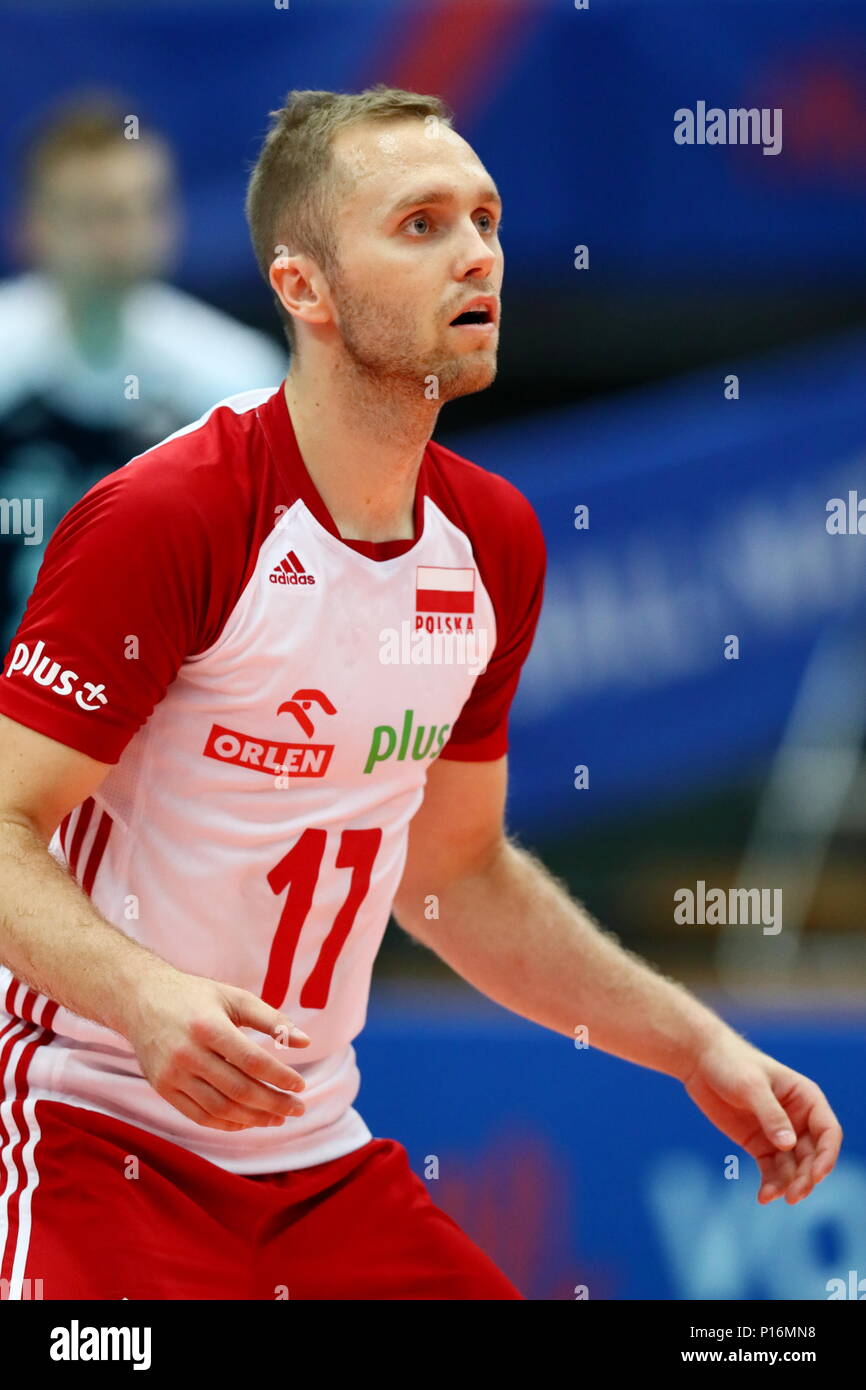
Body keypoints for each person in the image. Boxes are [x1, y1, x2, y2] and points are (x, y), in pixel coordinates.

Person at [0, 86, 842, 1301]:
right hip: (89, 1135)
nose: (475, 253)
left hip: (313, 1165)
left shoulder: (490, 540)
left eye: (485, 219)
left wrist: (692, 1043)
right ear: (304, 289)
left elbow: (453, 873)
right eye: (421, 224)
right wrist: (142, 996)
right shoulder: (169, 516)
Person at [0, 91, 286, 652]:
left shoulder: (237, 380)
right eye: (90, 214)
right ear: (33, 225)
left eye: (137, 208)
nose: (115, 238)